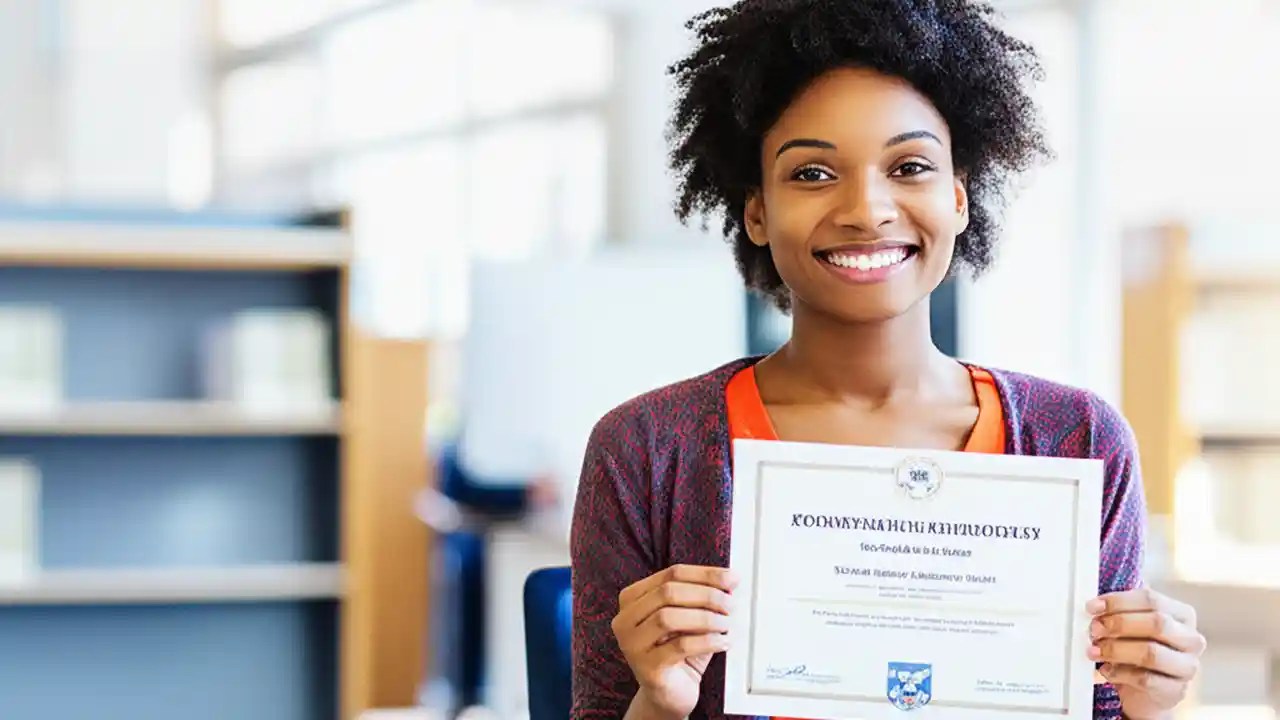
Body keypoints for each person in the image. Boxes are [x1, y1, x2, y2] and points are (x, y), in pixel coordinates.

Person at [569, 1, 1207, 719]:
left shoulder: (1079, 440)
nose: (867, 209)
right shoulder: (646, 449)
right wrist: (659, 701)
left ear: (959, 197)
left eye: (909, 166)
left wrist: (1154, 706)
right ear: (756, 211)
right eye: (812, 173)